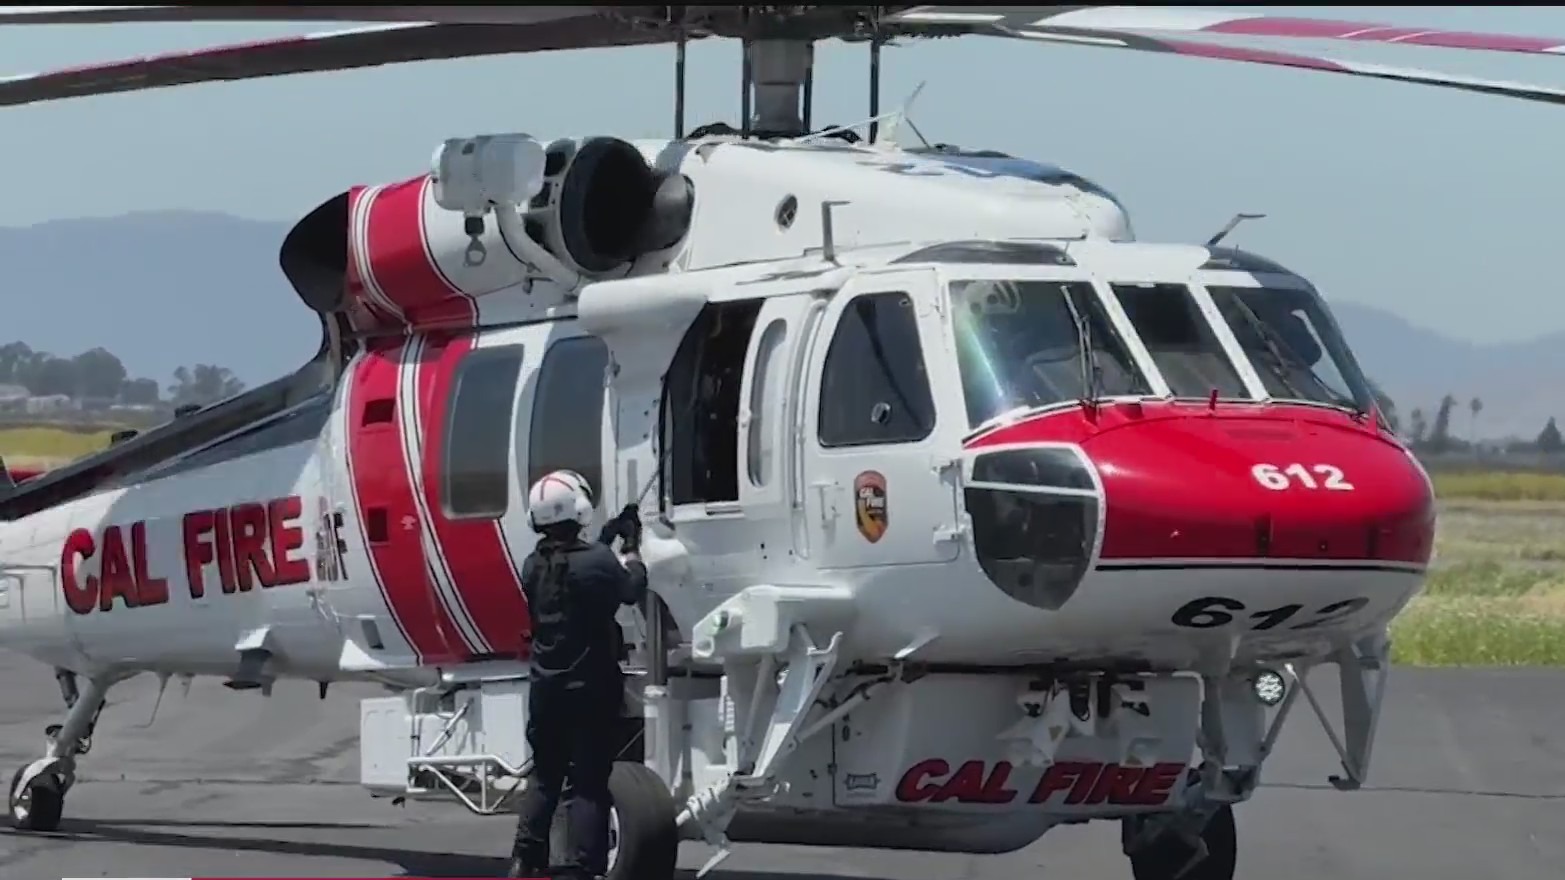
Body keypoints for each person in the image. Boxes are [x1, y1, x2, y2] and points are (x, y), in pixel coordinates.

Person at [508, 469, 648, 880]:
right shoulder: (597, 562)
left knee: (546, 777)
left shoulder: (532, 566)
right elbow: (630, 588)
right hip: (591, 690)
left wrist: (605, 539)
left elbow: (574, 570)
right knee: (588, 783)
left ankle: (524, 859)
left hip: (546, 689)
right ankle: (582, 868)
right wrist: (631, 546)